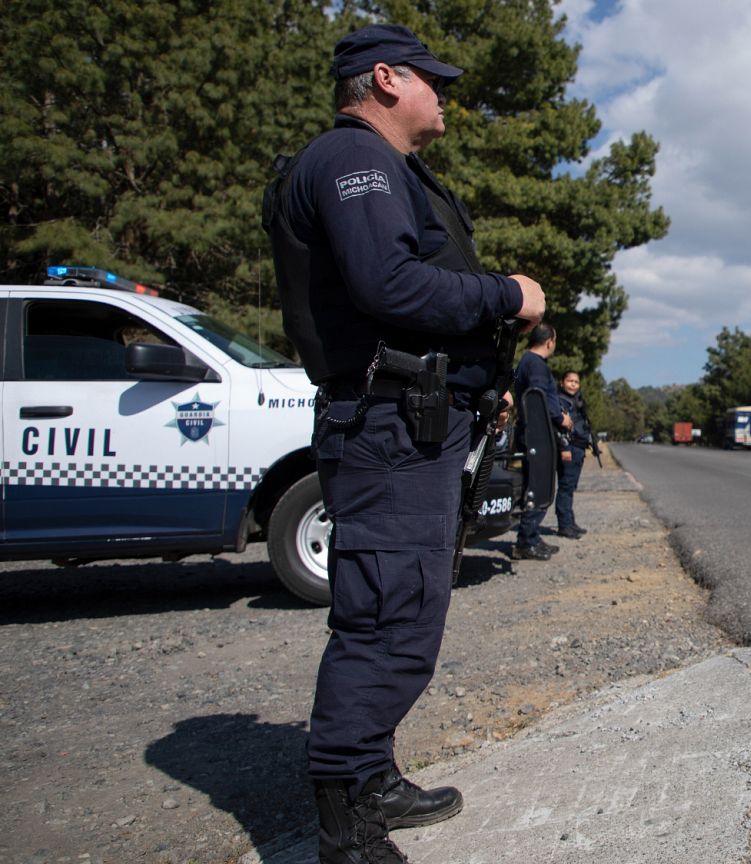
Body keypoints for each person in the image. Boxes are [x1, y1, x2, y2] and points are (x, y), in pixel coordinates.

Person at [263, 23, 546, 863]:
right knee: (388, 617)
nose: (445, 95)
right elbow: (388, 284)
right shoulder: (355, 159)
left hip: (409, 422)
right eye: (433, 80)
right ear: (386, 79)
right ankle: (348, 828)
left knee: (405, 610)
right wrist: (508, 295)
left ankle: (371, 774)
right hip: (388, 425)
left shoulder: (384, 165)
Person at [512, 323, 571, 559]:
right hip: (537, 434)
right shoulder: (536, 365)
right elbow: (537, 398)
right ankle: (526, 541)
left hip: (531, 432)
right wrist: (560, 417)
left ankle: (532, 536)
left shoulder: (526, 362)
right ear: (549, 342)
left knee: (536, 484)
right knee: (539, 486)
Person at [555, 369, 596, 538]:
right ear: (562, 383)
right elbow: (560, 428)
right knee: (565, 487)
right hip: (569, 448)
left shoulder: (577, 401)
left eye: (576, 382)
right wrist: (564, 449)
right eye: (570, 381)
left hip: (578, 448)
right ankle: (564, 525)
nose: (573, 384)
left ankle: (570, 522)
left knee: (570, 487)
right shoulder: (560, 401)